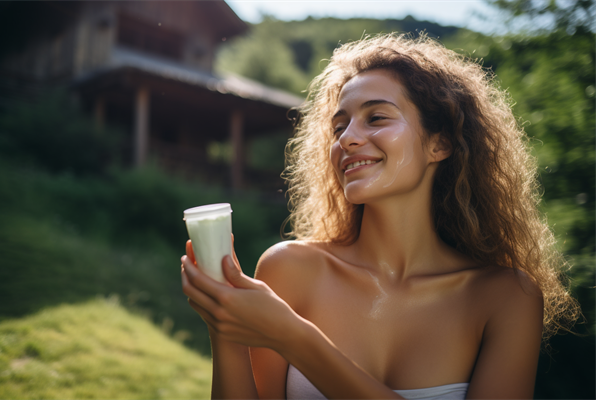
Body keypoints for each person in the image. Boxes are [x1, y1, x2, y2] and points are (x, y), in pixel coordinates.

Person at [180, 33, 579, 399]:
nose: (347, 138)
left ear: (439, 143)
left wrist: (294, 337)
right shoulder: (290, 269)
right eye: (339, 126)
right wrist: (225, 325)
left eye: (376, 117)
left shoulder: (506, 297)